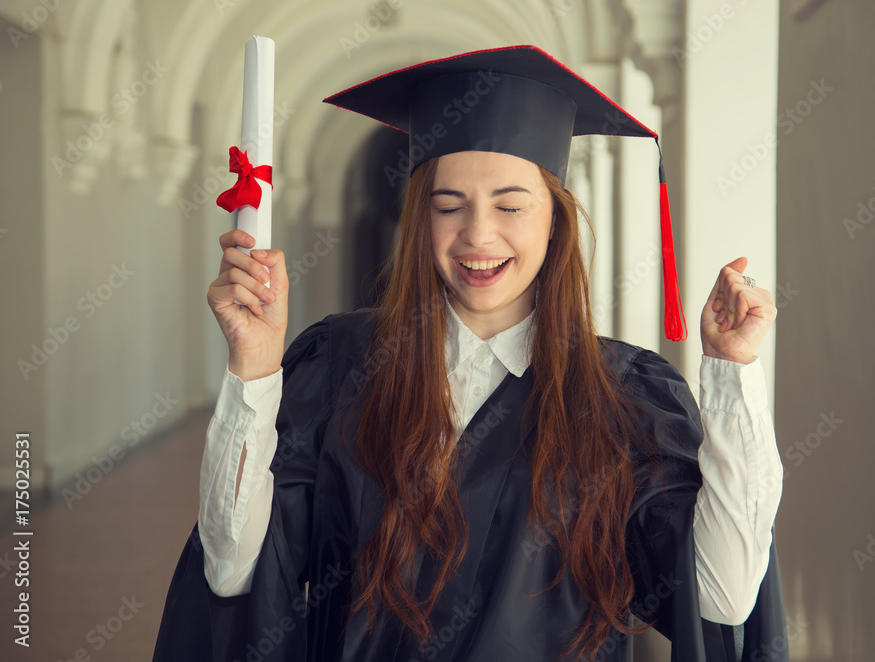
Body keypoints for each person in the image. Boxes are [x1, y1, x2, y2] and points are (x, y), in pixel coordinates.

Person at [154, 46, 787, 662]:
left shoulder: (623, 395)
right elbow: (234, 568)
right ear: (419, 219)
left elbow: (723, 597)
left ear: (555, 220)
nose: (478, 234)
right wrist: (253, 364)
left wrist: (733, 375)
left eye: (510, 205)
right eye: (449, 205)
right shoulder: (340, 366)